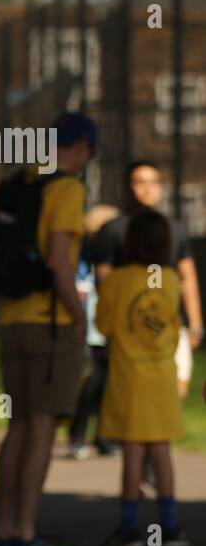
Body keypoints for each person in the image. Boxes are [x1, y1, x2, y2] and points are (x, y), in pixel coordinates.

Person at [0, 112, 96, 546]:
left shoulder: (20, 182)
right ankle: (26, 533)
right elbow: (59, 262)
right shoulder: (67, 187)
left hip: (10, 319)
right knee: (43, 426)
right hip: (48, 322)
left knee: (18, 426)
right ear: (83, 148)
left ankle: (4, 534)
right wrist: (79, 317)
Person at [95, 210, 189, 546]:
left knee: (133, 452)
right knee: (161, 450)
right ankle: (170, 526)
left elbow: (104, 325)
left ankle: (131, 526)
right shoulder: (171, 277)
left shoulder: (118, 280)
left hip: (129, 375)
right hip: (162, 372)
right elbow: (172, 322)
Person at [91, 161, 203, 401]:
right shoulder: (113, 230)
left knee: (172, 393)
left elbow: (188, 276)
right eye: (139, 182)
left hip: (169, 327)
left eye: (152, 182)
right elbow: (103, 279)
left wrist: (194, 323)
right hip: (130, 330)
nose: (146, 189)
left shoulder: (174, 231)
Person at [68, 204, 120, 459]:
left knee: (108, 385)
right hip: (87, 327)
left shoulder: (117, 255)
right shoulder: (81, 254)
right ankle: (77, 436)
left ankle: (103, 437)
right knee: (90, 384)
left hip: (110, 327)